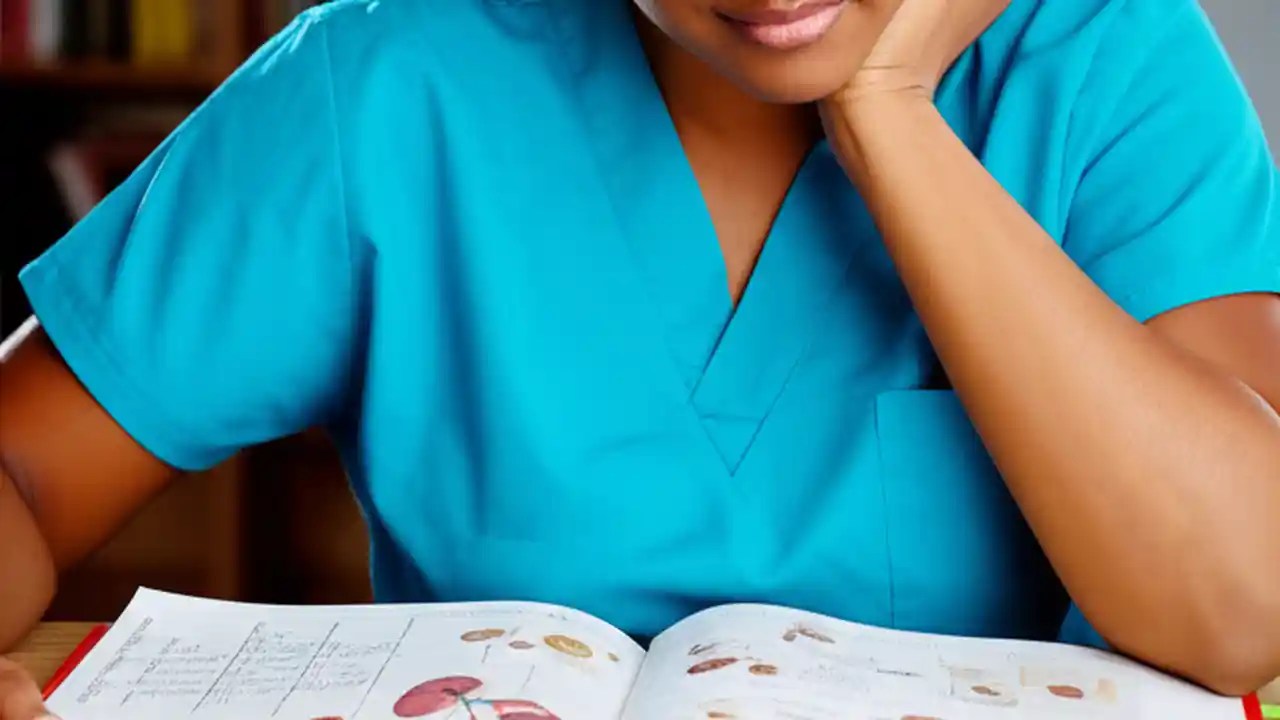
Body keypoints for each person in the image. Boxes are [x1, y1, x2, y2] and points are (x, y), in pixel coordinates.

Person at [2, 0, 1279, 714]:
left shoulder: (1109, 60)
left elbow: (1243, 614)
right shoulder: (392, 76)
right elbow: (21, 467)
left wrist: (885, 116)